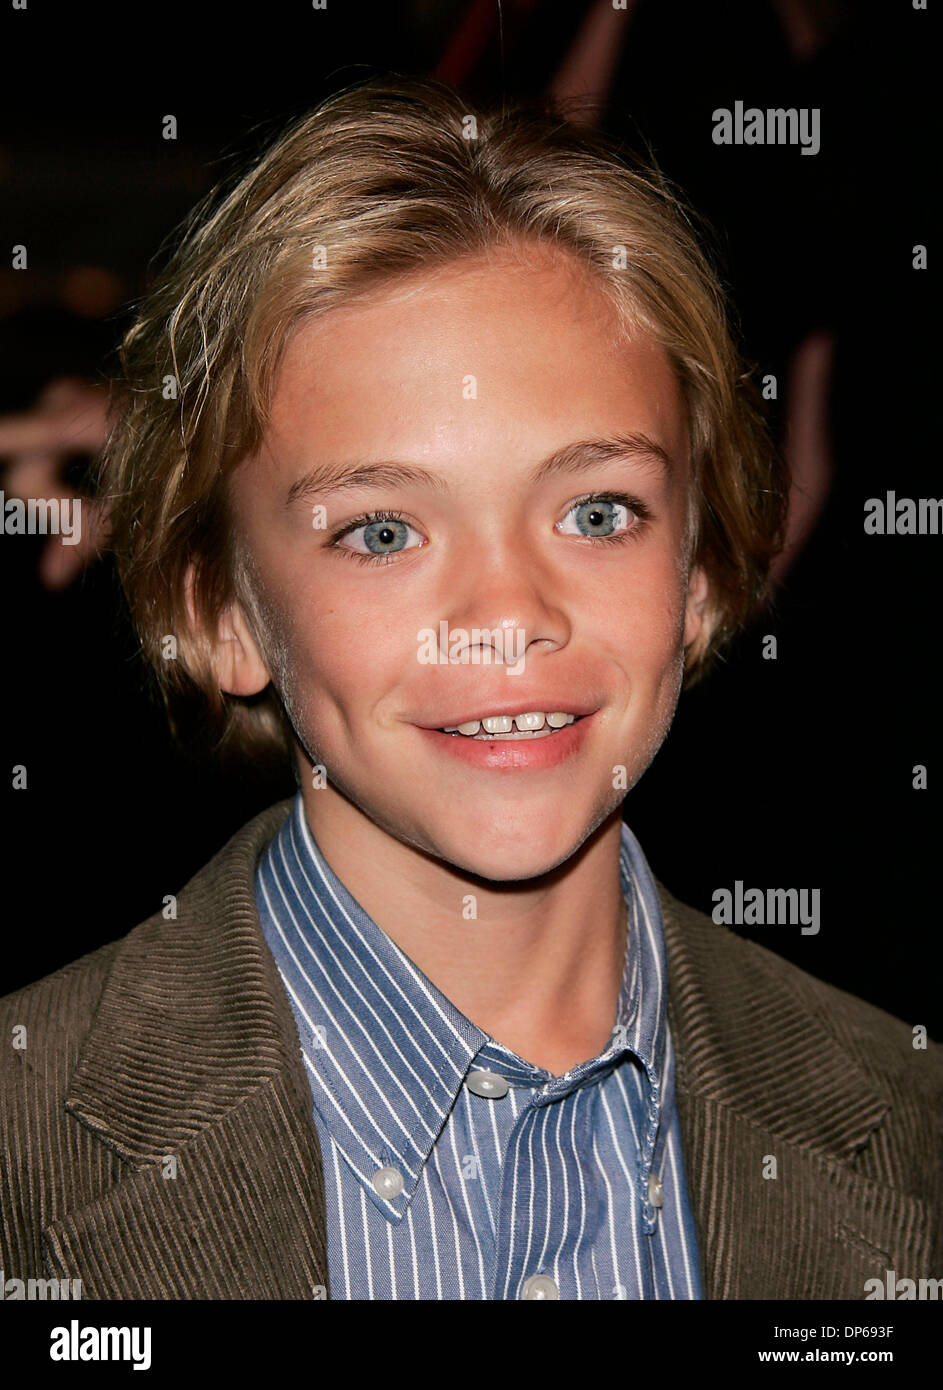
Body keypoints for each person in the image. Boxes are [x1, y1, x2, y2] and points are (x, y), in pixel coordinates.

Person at [1, 76, 939, 1302]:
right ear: (217, 612)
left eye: (596, 511)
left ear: (705, 572)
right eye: (384, 530)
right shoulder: (27, 1162)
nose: (509, 615)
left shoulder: (912, 1136)